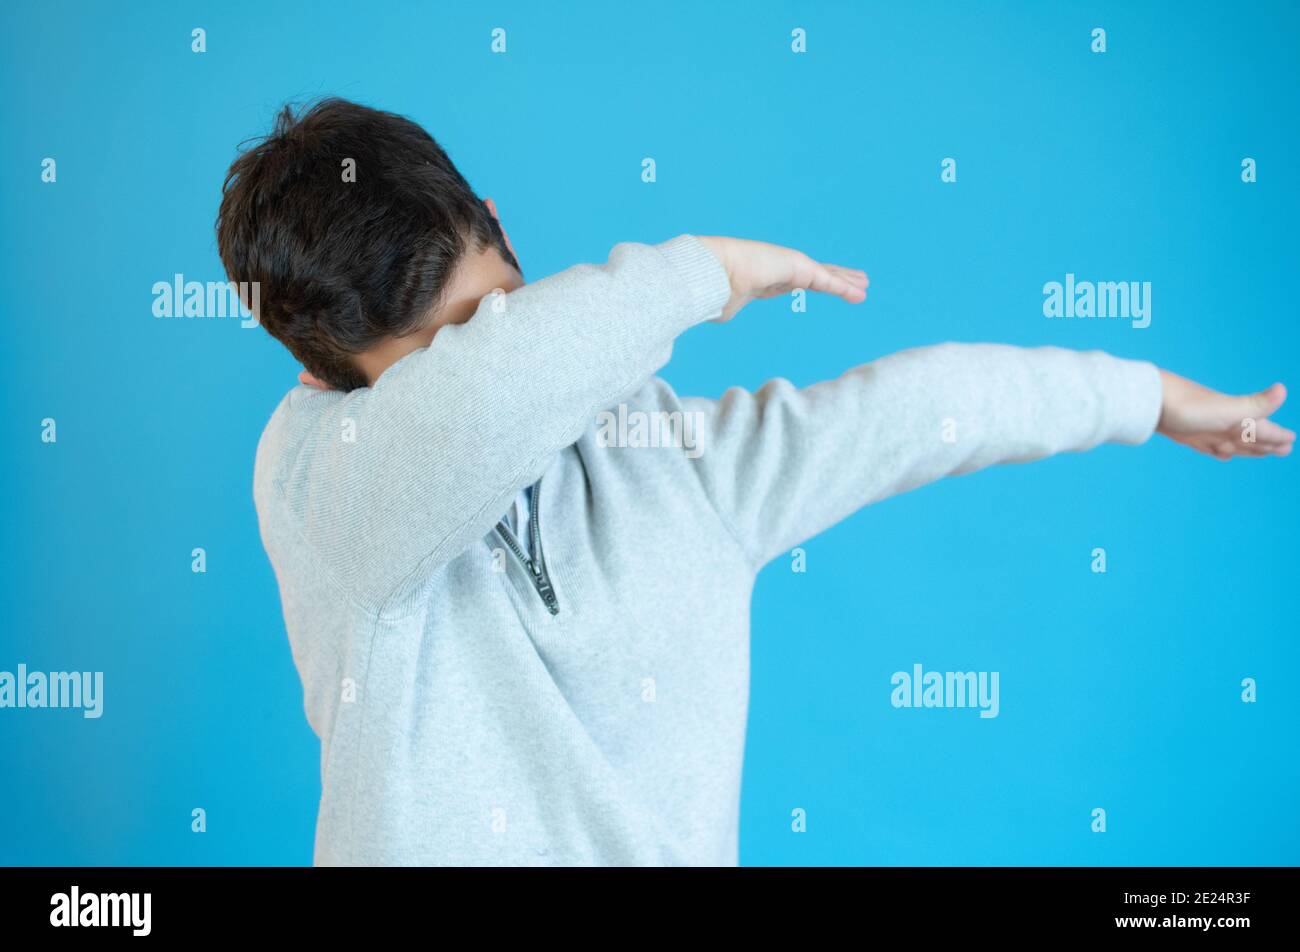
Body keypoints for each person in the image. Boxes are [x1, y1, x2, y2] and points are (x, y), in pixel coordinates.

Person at [217, 98, 1292, 865]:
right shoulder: (318, 493)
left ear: (500, 221)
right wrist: (705, 271)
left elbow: (916, 408)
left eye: (498, 317)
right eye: (431, 369)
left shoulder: (679, 463)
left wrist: (1148, 396)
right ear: (324, 378)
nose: (493, 363)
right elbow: (484, 406)